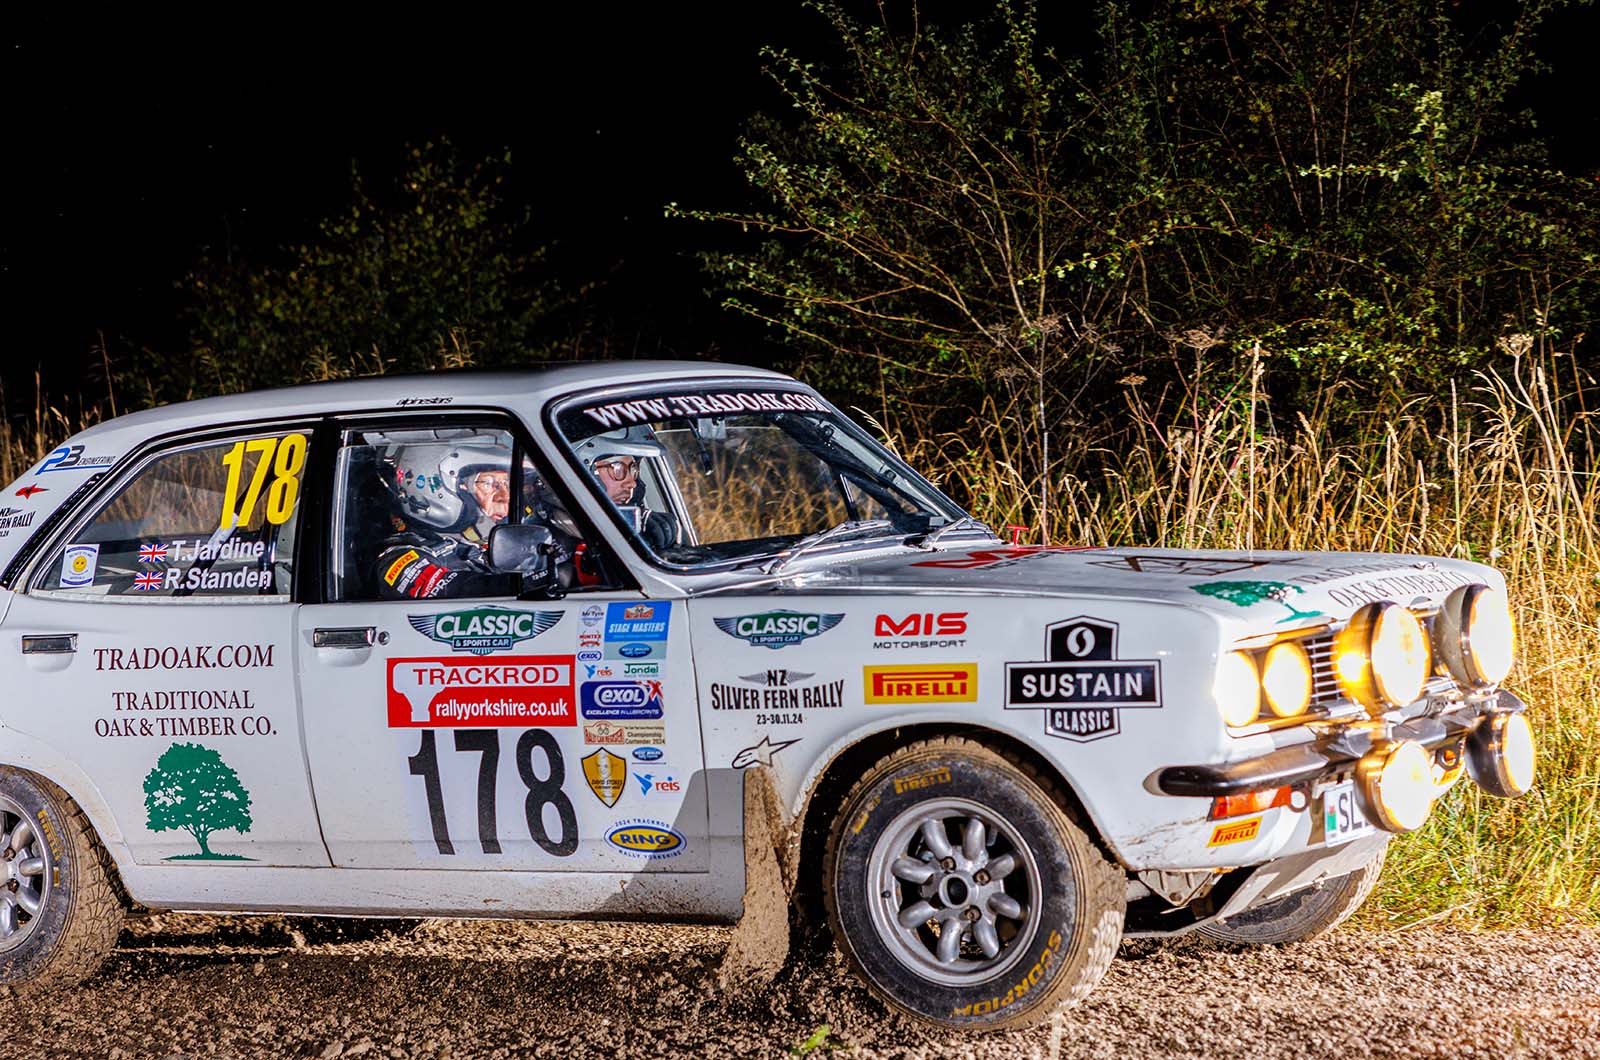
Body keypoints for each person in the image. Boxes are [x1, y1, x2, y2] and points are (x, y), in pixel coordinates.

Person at [372, 442, 562, 599]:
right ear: (438, 489)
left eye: (509, 484)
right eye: (489, 483)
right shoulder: (399, 558)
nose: (505, 497)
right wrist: (546, 579)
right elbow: (462, 591)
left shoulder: (496, 541)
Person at [574, 428, 679, 551]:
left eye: (633, 469)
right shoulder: (559, 535)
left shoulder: (642, 526)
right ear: (583, 469)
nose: (632, 483)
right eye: (617, 469)